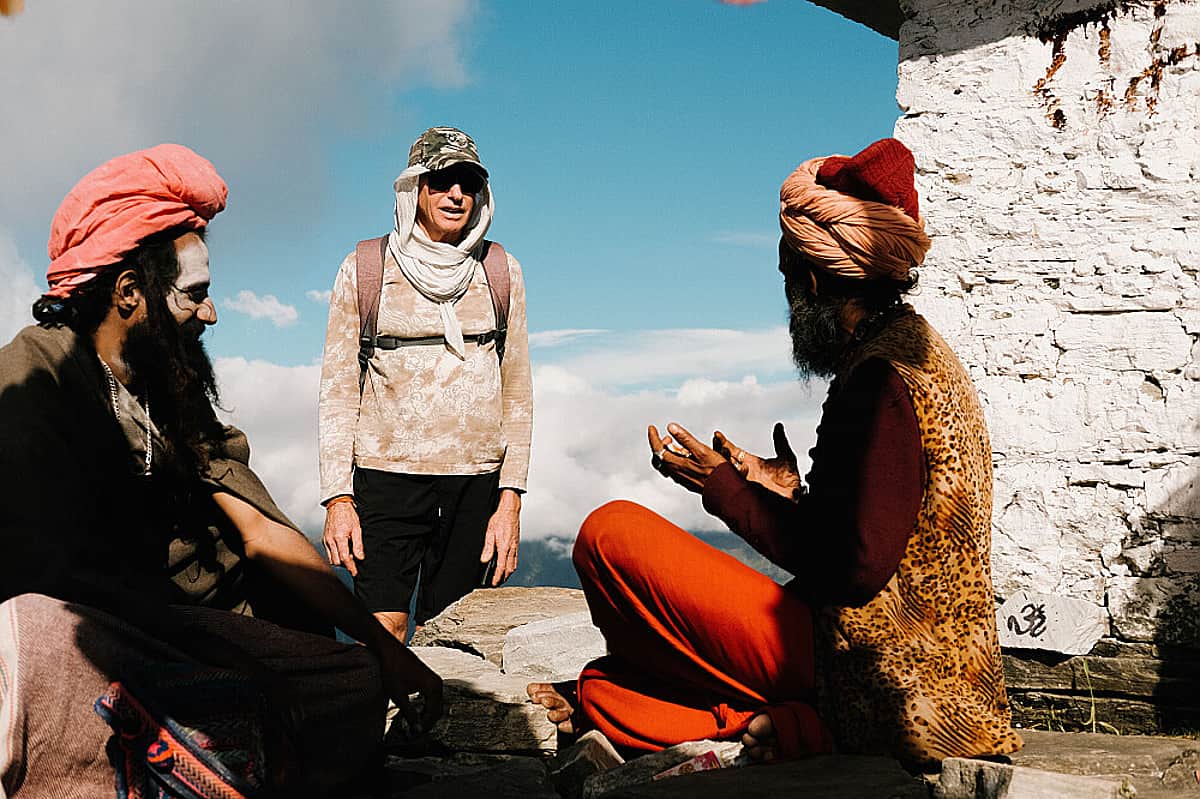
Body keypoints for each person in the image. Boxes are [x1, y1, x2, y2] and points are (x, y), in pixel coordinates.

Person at [529, 138, 1023, 769]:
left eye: (789, 276)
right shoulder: (911, 349)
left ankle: (808, 725)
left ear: (815, 279)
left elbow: (856, 568)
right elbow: (877, 525)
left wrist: (727, 492)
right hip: (929, 667)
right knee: (604, 688)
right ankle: (760, 724)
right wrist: (780, 488)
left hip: (883, 671)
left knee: (608, 534)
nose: (789, 297)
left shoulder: (882, 379)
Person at [0, 144, 441, 796]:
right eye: (196, 295)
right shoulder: (34, 384)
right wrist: (233, 663)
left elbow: (261, 531)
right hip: (79, 631)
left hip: (171, 628)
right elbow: (48, 582)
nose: (211, 313)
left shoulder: (158, 386)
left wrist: (388, 654)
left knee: (351, 680)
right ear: (128, 293)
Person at [318, 126, 532, 643]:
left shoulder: (500, 271)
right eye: (441, 181)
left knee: (455, 636)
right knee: (383, 631)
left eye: (467, 182)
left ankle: (441, 729)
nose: (456, 195)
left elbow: (518, 391)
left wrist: (510, 501)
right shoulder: (366, 268)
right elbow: (338, 389)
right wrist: (337, 499)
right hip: (385, 476)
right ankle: (378, 726)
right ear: (415, 188)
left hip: (475, 483)